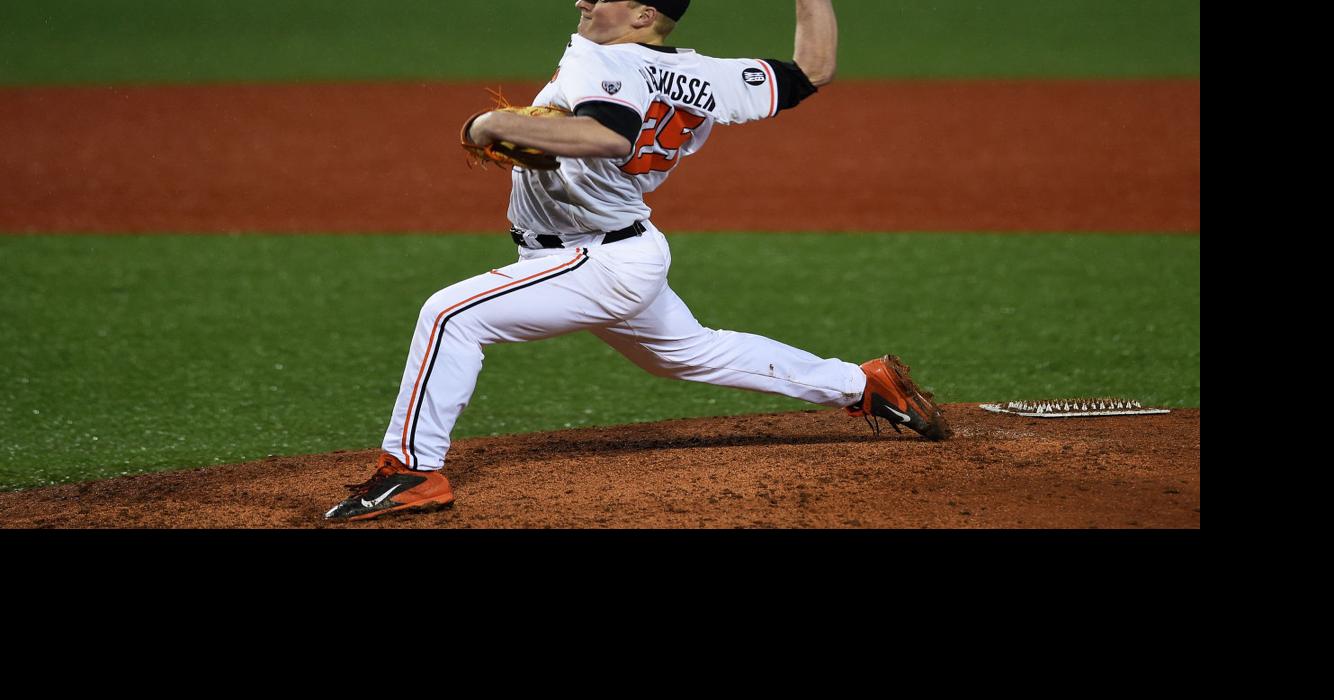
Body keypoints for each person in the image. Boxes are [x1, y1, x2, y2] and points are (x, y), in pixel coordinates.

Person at [325, 0, 950, 522]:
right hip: (627, 250)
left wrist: (493, 123)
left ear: (642, 12)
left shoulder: (599, 58)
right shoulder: (700, 73)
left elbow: (609, 134)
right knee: (690, 352)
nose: (583, 2)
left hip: (592, 259)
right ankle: (862, 384)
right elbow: (813, 70)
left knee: (449, 316)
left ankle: (413, 472)